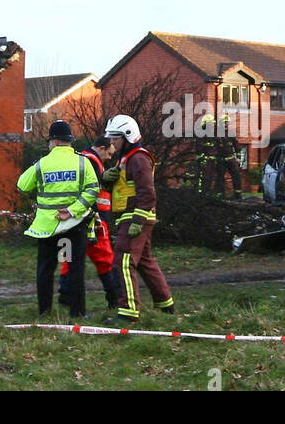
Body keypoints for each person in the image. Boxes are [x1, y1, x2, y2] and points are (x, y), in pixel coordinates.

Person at [16, 120, 100, 317]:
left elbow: (21, 186)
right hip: (72, 226)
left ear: (53, 142)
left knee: (45, 270)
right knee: (73, 268)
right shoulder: (83, 162)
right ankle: (77, 312)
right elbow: (93, 189)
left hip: (48, 228)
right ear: (69, 141)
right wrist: (72, 210)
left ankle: (44, 311)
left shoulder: (42, 164)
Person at [101, 114, 173, 324]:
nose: (112, 142)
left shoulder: (138, 159)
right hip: (130, 216)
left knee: (123, 261)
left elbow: (147, 193)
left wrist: (138, 221)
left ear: (128, 136)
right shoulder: (126, 158)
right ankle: (165, 304)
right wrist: (107, 181)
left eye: (115, 138)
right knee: (145, 262)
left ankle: (128, 311)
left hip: (135, 217)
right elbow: (125, 188)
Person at [59, 136, 118, 309]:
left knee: (68, 258)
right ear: (101, 148)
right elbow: (90, 191)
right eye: (108, 154)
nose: (109, 158)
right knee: (105, 259)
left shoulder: (79, 159)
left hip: (73, 219)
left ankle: (65, 295)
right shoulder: (91, 161)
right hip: (95, 220)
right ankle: (114, 298)